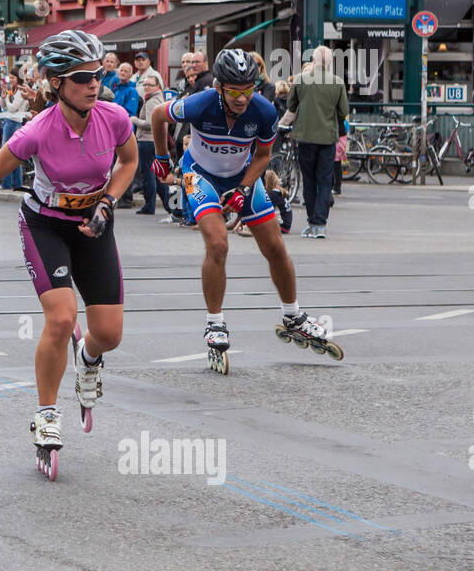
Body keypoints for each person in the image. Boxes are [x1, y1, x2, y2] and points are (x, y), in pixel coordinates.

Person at [0, 30, 137, 480]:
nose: (93, 83)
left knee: (110, 334)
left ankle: (90, 359)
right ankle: (45, 415)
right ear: (56, 83)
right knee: (61, 319)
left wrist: (108, 202)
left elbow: (129, 162)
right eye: (82, 77)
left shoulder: (114, 117)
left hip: (94, 224)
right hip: (45, 225)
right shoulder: (37, 131)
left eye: (97, 75)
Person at [150, 48, 334, 360]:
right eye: (234, 91)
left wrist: (244, 187)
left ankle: (293, 314)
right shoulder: (200, 103)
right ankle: (214, 323)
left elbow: (263, 156)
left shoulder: (263, 111)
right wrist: (160, 157)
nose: (241, 98)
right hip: (200, 175)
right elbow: (158, 115)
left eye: (247, 90)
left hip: (241, 175)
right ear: (219, 87)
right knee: (218, 243)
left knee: (275, 246)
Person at [280, 45, 349, 238]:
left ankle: (311, 222)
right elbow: (343, 111)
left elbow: (291, 106)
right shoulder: (337, 82)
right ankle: (320, 223)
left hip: (305, 136)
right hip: (327, 137)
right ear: (330, 62)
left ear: (314, 60)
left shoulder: (301, 80)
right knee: (325, 180)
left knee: (308, 180)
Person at [132, 71, 172, 215]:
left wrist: (134, 120)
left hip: (147, 140)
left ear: (158, 86)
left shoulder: (153, 101)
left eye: (150, 85)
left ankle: (150, 205)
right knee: (157, 174)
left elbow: (150, 123)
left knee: (148, 174)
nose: (146, 87)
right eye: (145, 84)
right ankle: (168, 205)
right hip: (152, 141)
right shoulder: (156, 99)